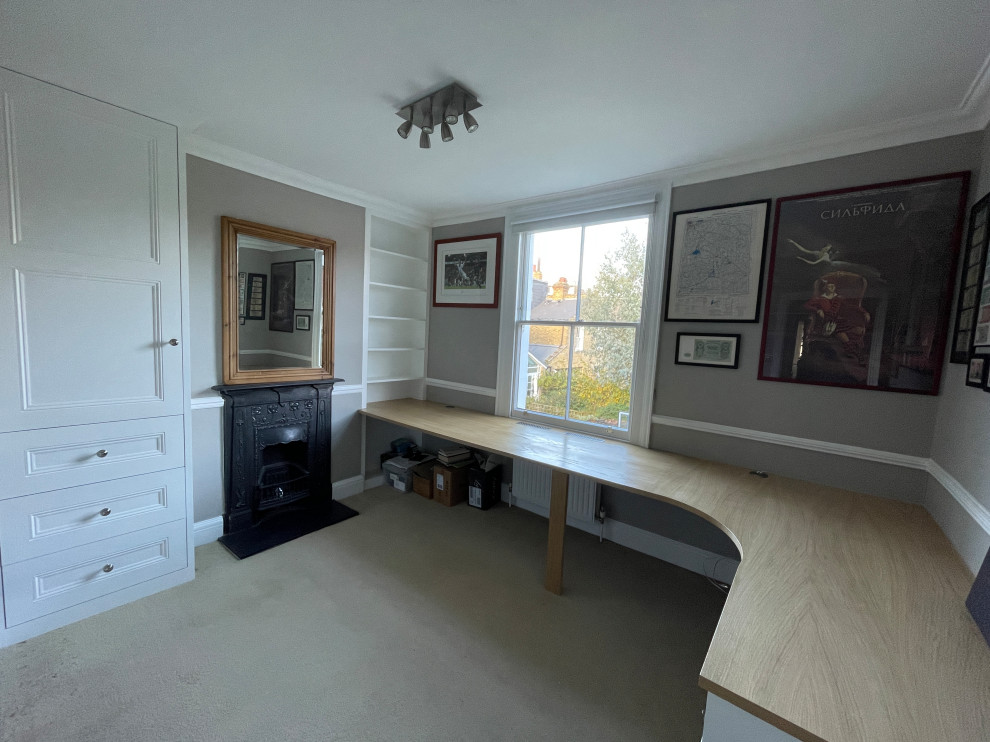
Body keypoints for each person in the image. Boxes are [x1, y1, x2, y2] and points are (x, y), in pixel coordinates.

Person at [803, 280, 871, 364]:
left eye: (833, 286)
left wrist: (864, 312)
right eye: (830, 286)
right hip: (827, 322)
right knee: (841, 334)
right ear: (825, 287)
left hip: (839, 321)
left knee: (857, 330)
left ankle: (853, 350)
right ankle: (858, 355)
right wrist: (818, 310)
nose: (832, 287)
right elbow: (806, 305)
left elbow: (853, 306)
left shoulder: (839, 298)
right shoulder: (819, 299)